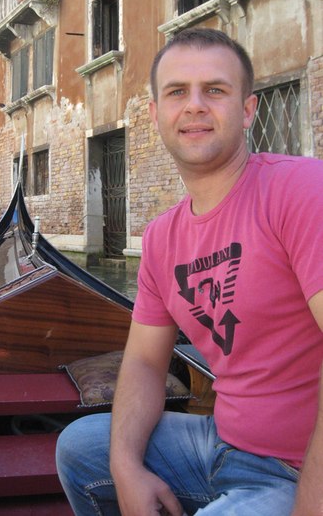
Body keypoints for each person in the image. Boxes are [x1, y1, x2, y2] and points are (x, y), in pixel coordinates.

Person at [56, 28, 323, 516]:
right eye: (177, 92)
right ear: (156, 114)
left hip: (296, 466)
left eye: (215, 90)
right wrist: (125, 467)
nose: (195, 106)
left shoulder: (301, 190)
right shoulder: (162, 238)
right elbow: (143, 362)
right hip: (222, 443)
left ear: (247, 110)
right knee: (80, 448)